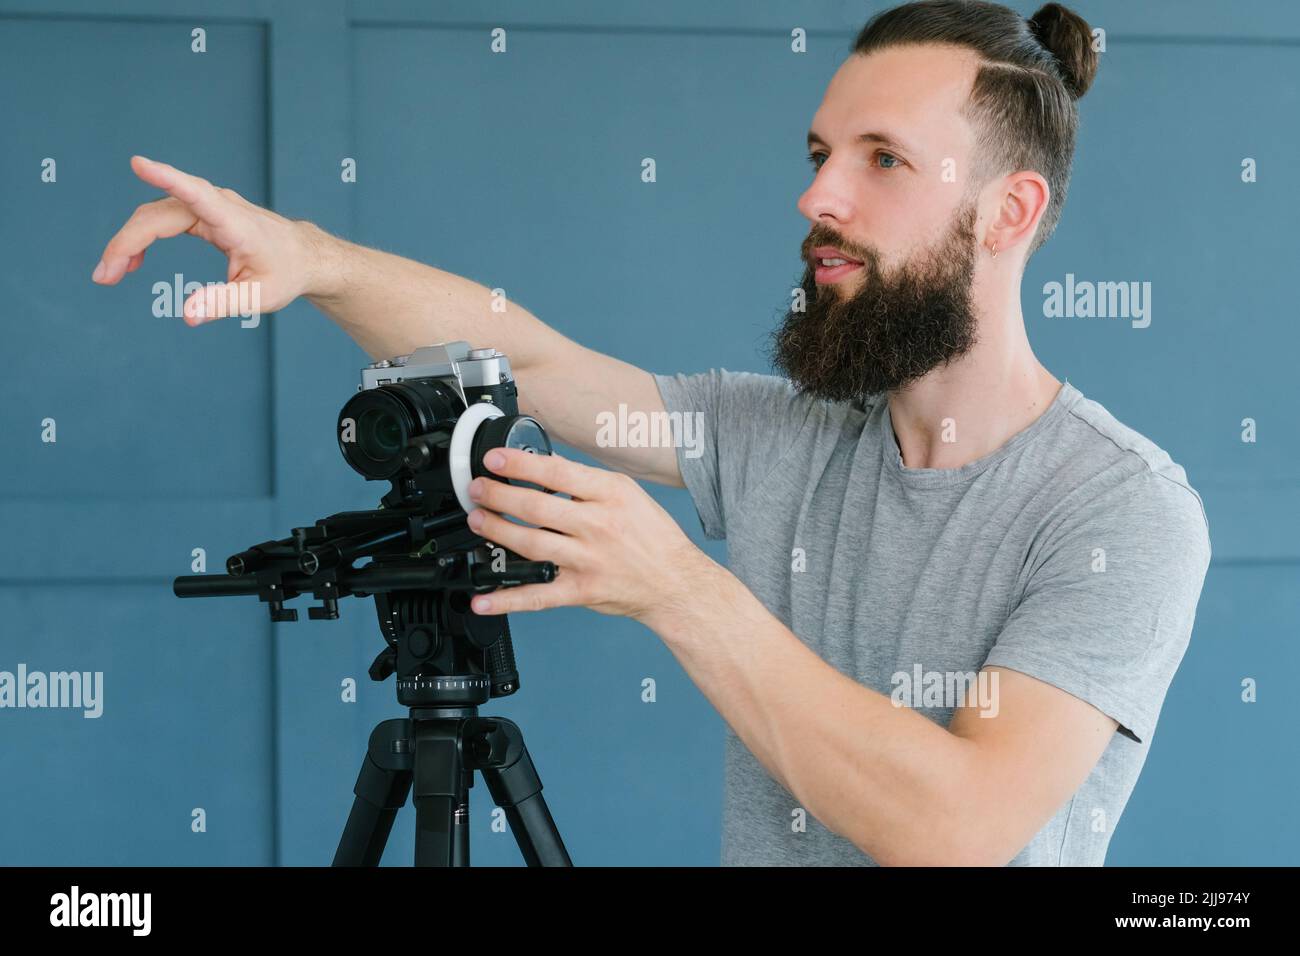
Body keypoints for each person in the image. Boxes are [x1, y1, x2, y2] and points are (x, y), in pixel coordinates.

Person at [92, 0, 1210, 866]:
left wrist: (677, 586)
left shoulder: (1119, 511)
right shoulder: (788, 431)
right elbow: (524, 362)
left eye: (882, 159)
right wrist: (314, 259)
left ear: (1007, 212)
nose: (817, 197)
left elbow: (954, 829)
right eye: (818, 153)